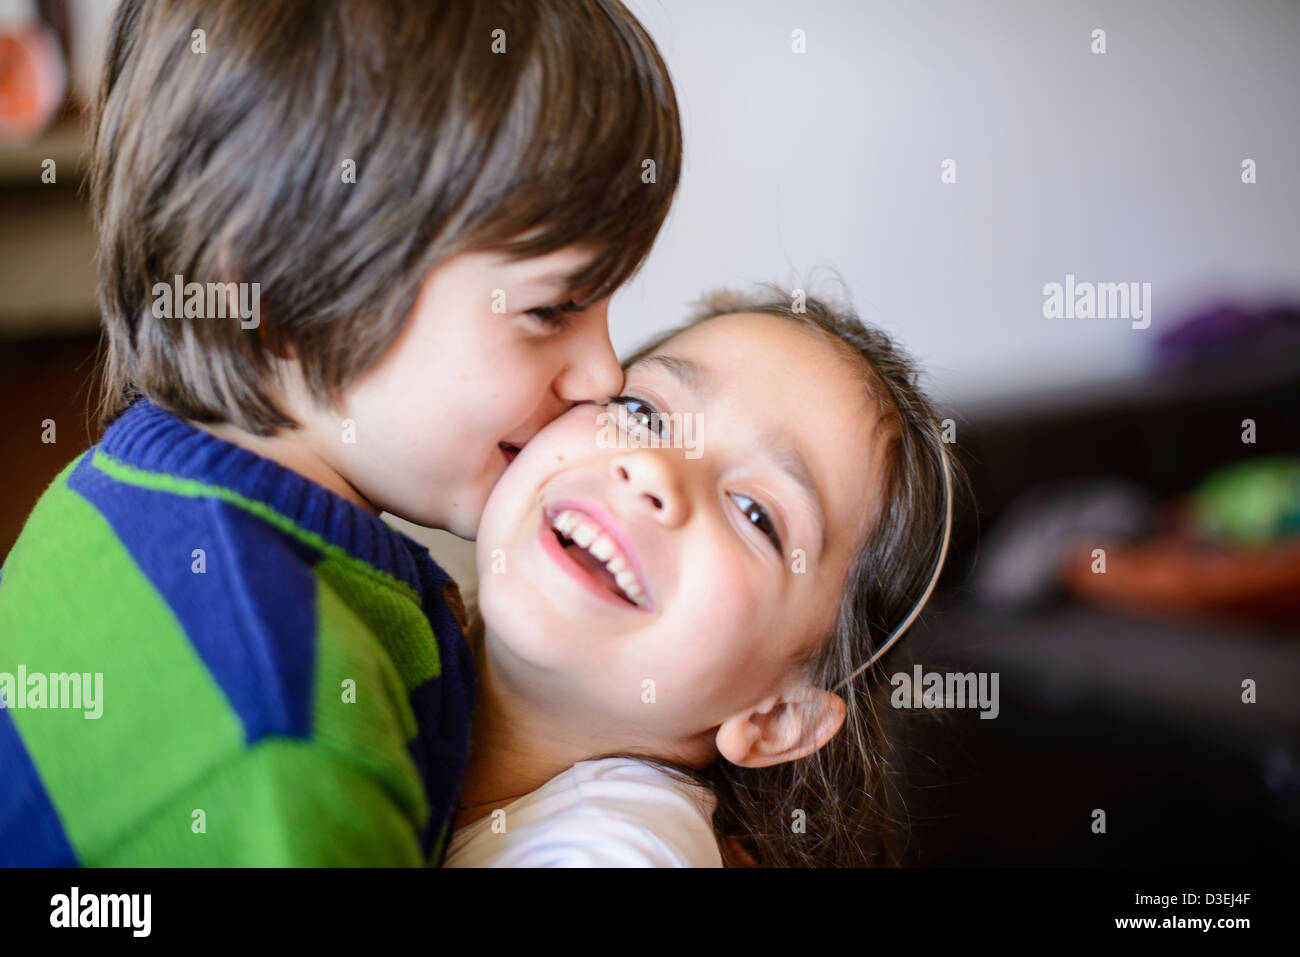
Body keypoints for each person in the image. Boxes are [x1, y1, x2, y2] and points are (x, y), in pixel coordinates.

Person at [0, 0, 681, 866]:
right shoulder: (276, 734)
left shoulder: (140, 493)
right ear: (282, 295)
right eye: (550, 311)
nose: (606, 377)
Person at [446, 288, 957, 867]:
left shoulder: (619, 848)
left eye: (755, 513)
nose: (654, 472)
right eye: (644, 414)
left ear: (776, 717)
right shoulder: (383, 626)